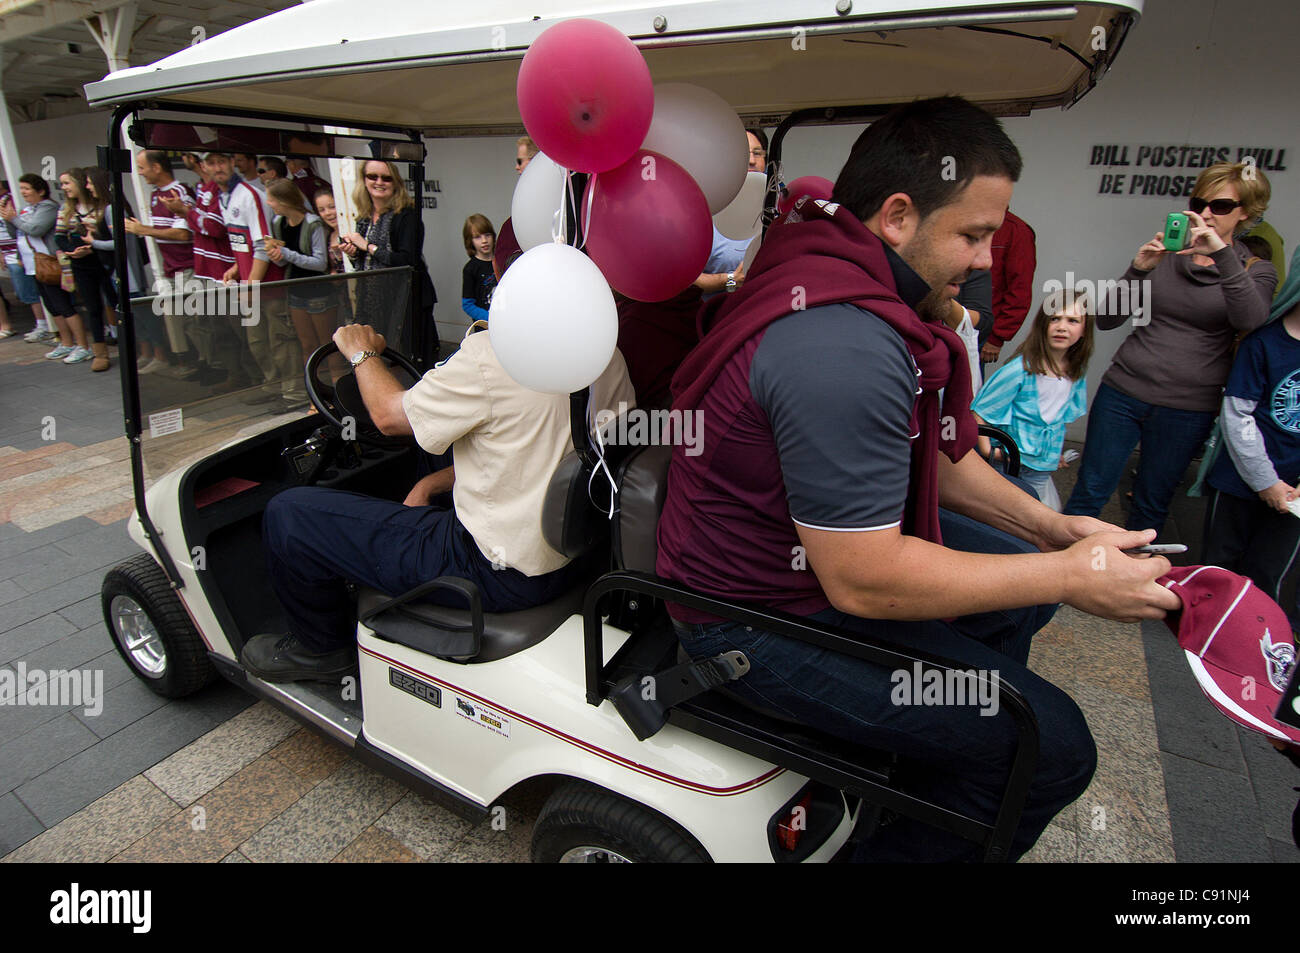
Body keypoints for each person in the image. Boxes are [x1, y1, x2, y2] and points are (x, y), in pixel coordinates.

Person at [656, 96, 1182, 863]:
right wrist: (1068, 576)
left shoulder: (827, 264)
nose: (984, 261)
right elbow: (865, 582)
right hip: (745, 619)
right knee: (1055, 744)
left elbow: (928, 451)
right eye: (972, 234)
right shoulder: (845, 343)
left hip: (790, 563)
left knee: (1018, 594)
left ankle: (939, 772)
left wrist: (1049, 531)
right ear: (898, 216)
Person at [240, 318, 636, 682]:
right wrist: (431, 483)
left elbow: (388, 416)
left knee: (289, 514)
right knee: (431, 453)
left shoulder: (491, 355)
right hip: (571, 554)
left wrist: (362, 353)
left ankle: (321, 650)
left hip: (489, 569)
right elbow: (545, 449)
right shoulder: (605, 352)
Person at [1063, 163, 1278, 535]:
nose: (1206, 212)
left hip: (1187, 407)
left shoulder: (1256, 269)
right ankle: (1049, 585)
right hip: (1123, 392)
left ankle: (1133, 588)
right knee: (1089, 493)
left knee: (1150, 504)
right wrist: (1138, 269)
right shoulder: (1167, 256)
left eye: (1222, 206)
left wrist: (1222, 256)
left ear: (1247, 212)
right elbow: (1109, 319)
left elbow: (1250, 319)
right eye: (1199, 202)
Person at [1201, 295, 1300, 631]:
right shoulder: (1263, 343)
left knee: (1267, 574)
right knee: (1219, 570)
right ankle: (1206, 637)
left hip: (1295, 498)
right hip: (1239, 482)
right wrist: (1265, 482)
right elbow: (1237, 415)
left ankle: (1252, 644)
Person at [972, 294, 1095, 510]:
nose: (1061, 327)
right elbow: (980, 411)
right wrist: (989, 453)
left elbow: (1059, 418)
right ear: (1042, 324)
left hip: (1041, 468)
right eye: (1055, 319)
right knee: (1004, 514)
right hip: (1009, 463)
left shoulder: (1077, 372)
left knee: (1036, 513)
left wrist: (1054, 451)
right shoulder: (1019, 371)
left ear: (1085, 331)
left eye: (1072, 321)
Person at [210, 151, 304, 410]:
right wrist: (236, 268)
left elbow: (264, 244)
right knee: (258, 342)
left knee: (281, 342)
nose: (217, 167)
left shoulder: (251, 195)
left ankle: (294, 393)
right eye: (211, 162)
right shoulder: (225, 197)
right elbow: (244, 244)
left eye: (221, 161)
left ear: (233, 163)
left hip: (268, 286)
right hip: (251, 284)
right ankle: (273, 386)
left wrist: (251, 285)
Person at [340, 159, 438, 363]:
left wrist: (367, 246)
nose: (379, 182)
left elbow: (407, 260)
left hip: (404, 299)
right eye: (372, 176)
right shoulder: (365, 218)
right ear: (363, 181)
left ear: (396, 183)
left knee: (407, 356)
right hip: (371, 297)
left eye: (386, 178)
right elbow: (364, 262)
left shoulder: (407, 215)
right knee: (373, 352)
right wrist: (353, 252)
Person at [0, 174, 89, 363]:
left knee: (64, 305)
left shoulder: (48, 207)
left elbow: (35, 229)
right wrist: (8, 218)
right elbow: (16, 233)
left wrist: (14, 218)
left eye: (26, 188)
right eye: (21, 188)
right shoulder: (26, 209)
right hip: (35, 266)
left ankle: (83, 346)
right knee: (52, 306)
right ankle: (66, 343)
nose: (22, 192)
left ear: (40, 190)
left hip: (50, 263)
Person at [124, 149, 195, 376]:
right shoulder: (155, 195)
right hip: (170, 268)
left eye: (142, 167)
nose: (140, 172)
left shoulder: (180, 191)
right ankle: (190, 363)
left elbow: (184, 235)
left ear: (157, 167)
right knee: (179, 321)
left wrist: (142, 230)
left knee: (195, 320)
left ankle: (206, 365)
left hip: (187, 266)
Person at [265, 178, 334, 371]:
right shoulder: (278, 222)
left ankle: (337, 388)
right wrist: (276, 255)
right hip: (296, 291)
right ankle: (315, 391)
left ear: (284, 201)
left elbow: (320, 263)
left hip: (318, 292)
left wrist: (287, 254)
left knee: (327, 345)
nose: (268, 204)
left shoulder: (313, 224)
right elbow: (283, 261)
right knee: (307, 345)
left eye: (271, 200)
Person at [694, 128, 769, 297]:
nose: (751, 160)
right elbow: (685, 279)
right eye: (743, 153)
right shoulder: (707, 211)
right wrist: (731, 280)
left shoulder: (778, 209)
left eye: (757, 153)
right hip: (718, 317)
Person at [55, 168, 110, 368]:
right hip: (80, 264)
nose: (64, 188)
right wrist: (74, 251)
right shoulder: (65, 210)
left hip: (103, 260)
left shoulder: (101, 206)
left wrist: (93, 246)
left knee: (114, 302)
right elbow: (59, 237)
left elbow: (109, 234)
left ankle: (128, 342)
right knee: (93, 307)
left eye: (67, 183)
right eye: (62, 184)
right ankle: (100, 353)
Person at [980, 209, 1037, 365]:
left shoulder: (1016, 231)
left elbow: (1020, 291)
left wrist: (997, 337)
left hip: (979, 332)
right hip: (945, 322)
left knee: (965, 385)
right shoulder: (962, 220)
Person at [460, 214, 496, 321]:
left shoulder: (502, 262)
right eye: (477, 237)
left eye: (487, 235)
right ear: (470, 241)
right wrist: (489, 318)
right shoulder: (470, 269)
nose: (484, 240)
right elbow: (468, 305)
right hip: (484, 326)